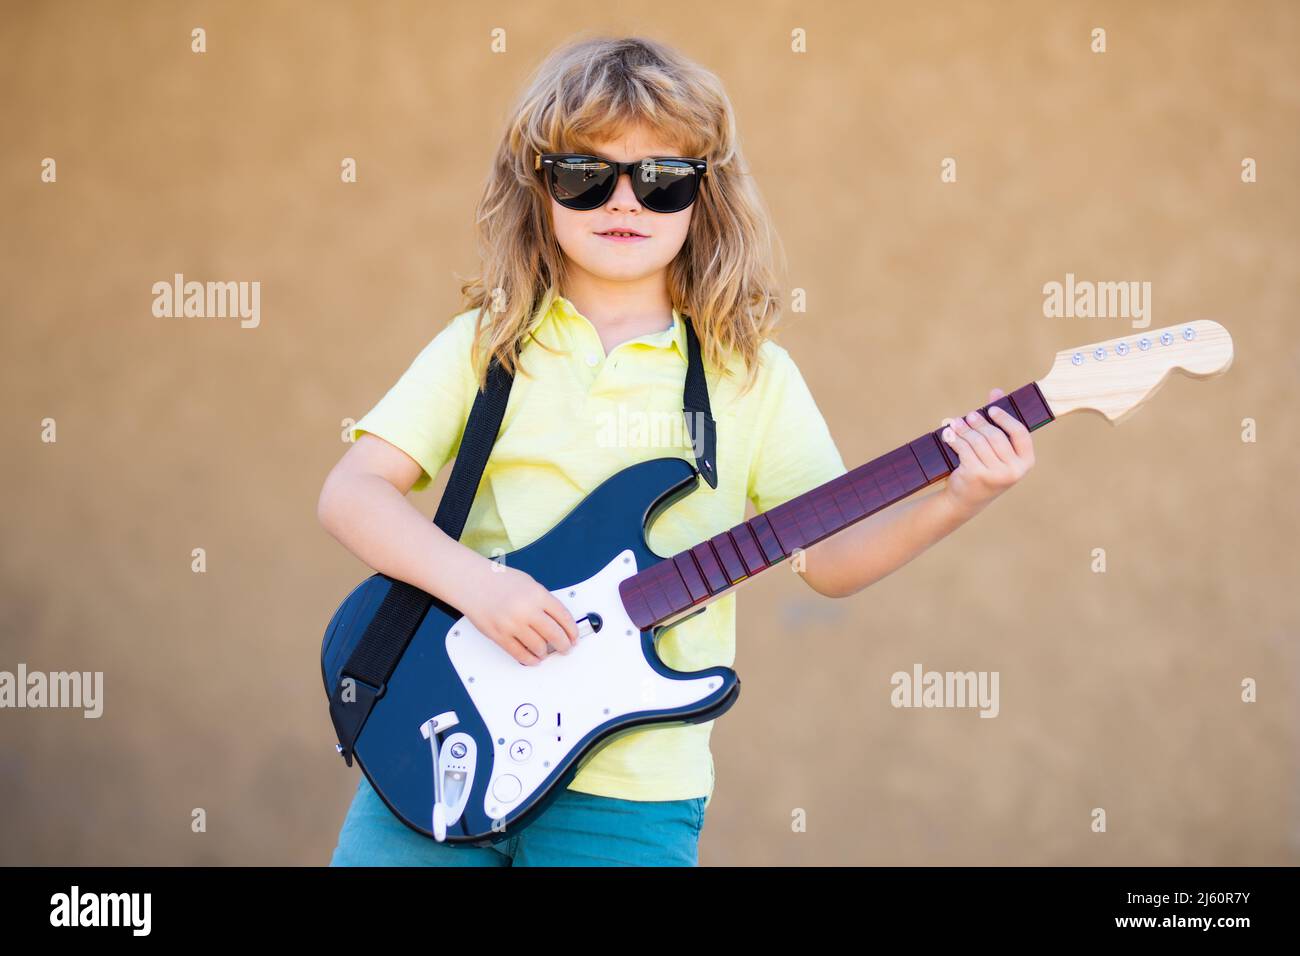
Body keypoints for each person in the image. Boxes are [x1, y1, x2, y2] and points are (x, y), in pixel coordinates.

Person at [317, 35, 1034, 867]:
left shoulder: (750, 375)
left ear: (705, 198)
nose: (624, 203)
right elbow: (352, 492)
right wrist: (479, 587)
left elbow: (830, 560)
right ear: (539, 188)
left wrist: (960, 495)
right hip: (440, 745)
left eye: (661, 181)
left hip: (633, 791)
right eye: (587, 176)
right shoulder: (485, 346)